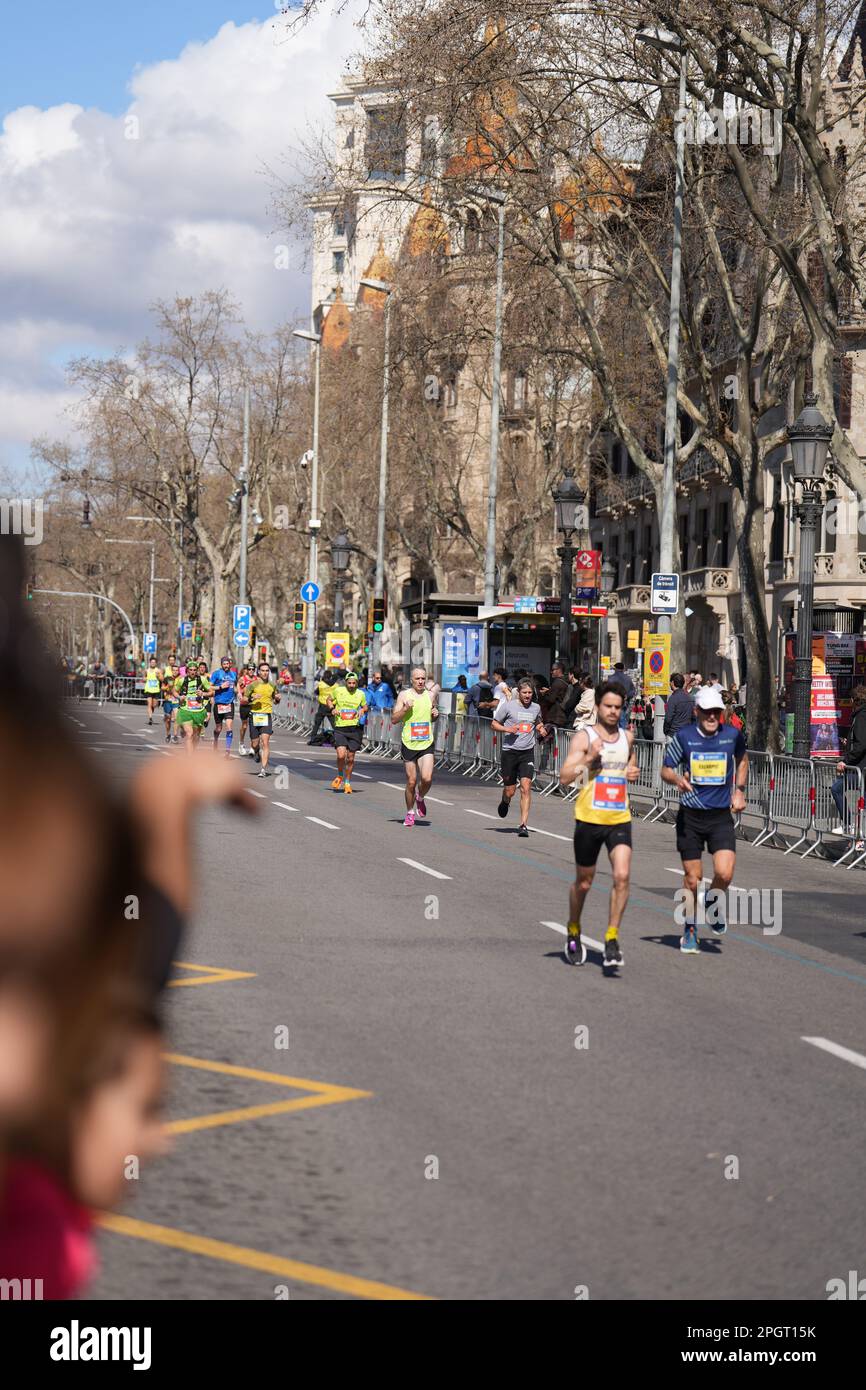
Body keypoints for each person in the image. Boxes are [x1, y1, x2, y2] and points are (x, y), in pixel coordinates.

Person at [661, 686, 749, 953]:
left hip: (720, 815)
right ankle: (689, 927)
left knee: (725, 872)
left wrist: (739, 790)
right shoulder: (685, 737)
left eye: (717, 712)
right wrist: (677, 779)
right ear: (697, 711)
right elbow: (665, 768)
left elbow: (742, 760)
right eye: (708, 712)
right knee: (692, 876)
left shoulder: (732, 735)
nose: (712, 717)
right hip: (691, 816)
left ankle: (712, 901)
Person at [558, 682, 639, 970]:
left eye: (618, 707)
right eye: (608, 706)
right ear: (597, 708)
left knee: (622, 875)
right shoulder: (585, 737)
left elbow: (630, 767)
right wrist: (590, 758)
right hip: (589, 818)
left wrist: (632, 772)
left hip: (619, 818)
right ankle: (574, 927)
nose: (614, 711)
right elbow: (565, 778)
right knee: (584, 882)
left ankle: (612, 937)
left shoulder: (628, 738)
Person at [492, 679, 548, 837]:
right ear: (519, 693)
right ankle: (505, 800)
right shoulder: (509, 706)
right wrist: (507, 729)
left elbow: (536, 721)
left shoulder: (536, 707)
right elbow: (494, 724)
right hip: (510, 752)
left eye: (530, 693)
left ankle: (523, 824)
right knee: (510, 791)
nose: (528, 695)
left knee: (526, 787)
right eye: (525, 692)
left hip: (527, 752)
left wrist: (541, 728)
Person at [392, 666, 438, 827]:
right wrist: (405, 709)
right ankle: (410, 812)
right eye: (417, 678)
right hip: (409, 743)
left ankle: (420, 797)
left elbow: (431, 716)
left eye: (423, 678)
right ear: (411, 680)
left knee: (427, 778)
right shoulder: (404, 695)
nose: (420, 681)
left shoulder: (431, 695)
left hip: (426, 742)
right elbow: (394, 719)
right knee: (411, 781)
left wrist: (434, 716)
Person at [830, 684, 866, 836]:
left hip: (859, 767)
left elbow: (862, 744)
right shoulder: (860, 715)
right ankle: (857, 833)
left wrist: (846, 761)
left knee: (837, 788)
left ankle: (848, 825)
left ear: (853, 700)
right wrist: (849, 743)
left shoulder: (861, 716)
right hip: (860, 767)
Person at [326, 670, 368, 794]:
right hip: (340, 728)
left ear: (357, 683)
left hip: (354, 729)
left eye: (353, 683)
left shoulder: (360, 694)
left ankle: (347, 782)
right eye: (349, 683)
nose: (351, 685)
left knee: (350, 758)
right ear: (345, 682)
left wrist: (362, 710)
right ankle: (339, 775)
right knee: (341, 755)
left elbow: (365, 706)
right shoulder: (338, 691)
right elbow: (328, 700)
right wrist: (332, 708)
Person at [248, 660, 280, 776]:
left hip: (266, 715)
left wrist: (277, 699)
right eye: (263, 671)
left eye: (267, 671)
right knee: (255, 743)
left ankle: (263, 769)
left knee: (265, 742)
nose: (265, 673)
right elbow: (243, 699)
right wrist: (252, 698)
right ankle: (256, 752)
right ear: (259, 672)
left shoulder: (272, 685)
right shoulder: (253, 685)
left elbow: (276, 700)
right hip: (254, 715)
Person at [174, 664, 212, 750]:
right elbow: (174, 691)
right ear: (187, 670)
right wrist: (179, 697)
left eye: (194, 670)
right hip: (185, 710)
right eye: (190, 670)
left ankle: (193, 751)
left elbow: (211, 692)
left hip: (198, 711)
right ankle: (189, 758)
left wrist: (203, 693)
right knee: (189, 734)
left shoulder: (202, 679)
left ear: (197, 670)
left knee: (196, 736)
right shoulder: (182, 680)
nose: (192, 672)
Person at [210, 656, 238, 755]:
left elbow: (235, 686)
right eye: (224, 664)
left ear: (230, 664)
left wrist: (237, 690)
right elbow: (209, 686)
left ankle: (227, 750)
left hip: (229, 703)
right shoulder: (217, 673)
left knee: (229, 727)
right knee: (218, 728)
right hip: (219, 703)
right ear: (222, 665)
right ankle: (216, 739)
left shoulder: (234, 674)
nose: (226, 665)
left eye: (227, 664)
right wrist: (220, 687)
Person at [308, 670, 337, 746]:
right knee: (334, 724)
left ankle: (313, 739)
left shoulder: (321, 684)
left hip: (322, 706)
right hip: (331, 706)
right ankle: (338, 739)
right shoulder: (336, 685)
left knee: (317, 724)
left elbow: (316, 692)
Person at [236, 663, 258, 755]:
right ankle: (241, 743)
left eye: (253, 669)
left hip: (254, 705)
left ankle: (253, 746)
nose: (251, 671)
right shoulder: (243, 678)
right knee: (245, 726)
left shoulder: (257, 679)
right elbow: (238, 687)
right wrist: (240, 693)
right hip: (245, 704)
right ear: (247, 670)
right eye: (249, 669)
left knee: (254, 727)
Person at [663, 672, 694, 738]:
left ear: (672, 683)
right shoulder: (690, 697)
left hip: (674, 734)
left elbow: (668, 718)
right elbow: (693, 717)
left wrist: (666, 731)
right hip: (687, 733)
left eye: (670, 682)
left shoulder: (673, 698)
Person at [607, 661, 635, 729]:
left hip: (613, 702)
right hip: (624, 703)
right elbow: (633, 691)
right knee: (623, 720)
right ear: (623, 669)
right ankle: (622, 735)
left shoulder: (611, 678)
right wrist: (627, 696)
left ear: (615, 669)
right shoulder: (628, 679)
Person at [161, 670, 179, 743]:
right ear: (172, 671)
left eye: (176, 670)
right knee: (168, 719)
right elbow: (162, 688)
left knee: (176, 718)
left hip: (176, 701)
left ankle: (175, 736)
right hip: (167, 701)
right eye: (174, 670)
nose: (175, 672)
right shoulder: (167, 678)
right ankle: (168, 734)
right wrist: (168, 686)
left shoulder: (180, 679)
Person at [143, 658, 162, 726]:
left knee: (154, 705)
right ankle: (150, 718)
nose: (153, 663)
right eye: (152, 662)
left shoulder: (158, 670)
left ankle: (152, 710)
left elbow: (162, 679)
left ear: (156, 663)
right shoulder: (146, 670)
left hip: (156, 690)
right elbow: (144, 678)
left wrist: (158, 676)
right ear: (150, 663)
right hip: (148, 689)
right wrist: (145, 679)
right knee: (149, 704)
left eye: (154, 662)